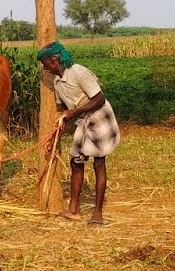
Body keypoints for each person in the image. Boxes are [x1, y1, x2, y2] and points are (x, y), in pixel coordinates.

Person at [37, 41, 120, 225]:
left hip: (100, 118)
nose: (44, 67)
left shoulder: (79, 73)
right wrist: (55, 138)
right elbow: (62, 114)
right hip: (83, 121)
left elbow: (99, 99)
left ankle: (97, 213)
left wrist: (73, 112)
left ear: (54, 60)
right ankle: (74, 209)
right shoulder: (57, 82)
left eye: (45, 63)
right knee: (76, 163)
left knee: (99, 163)